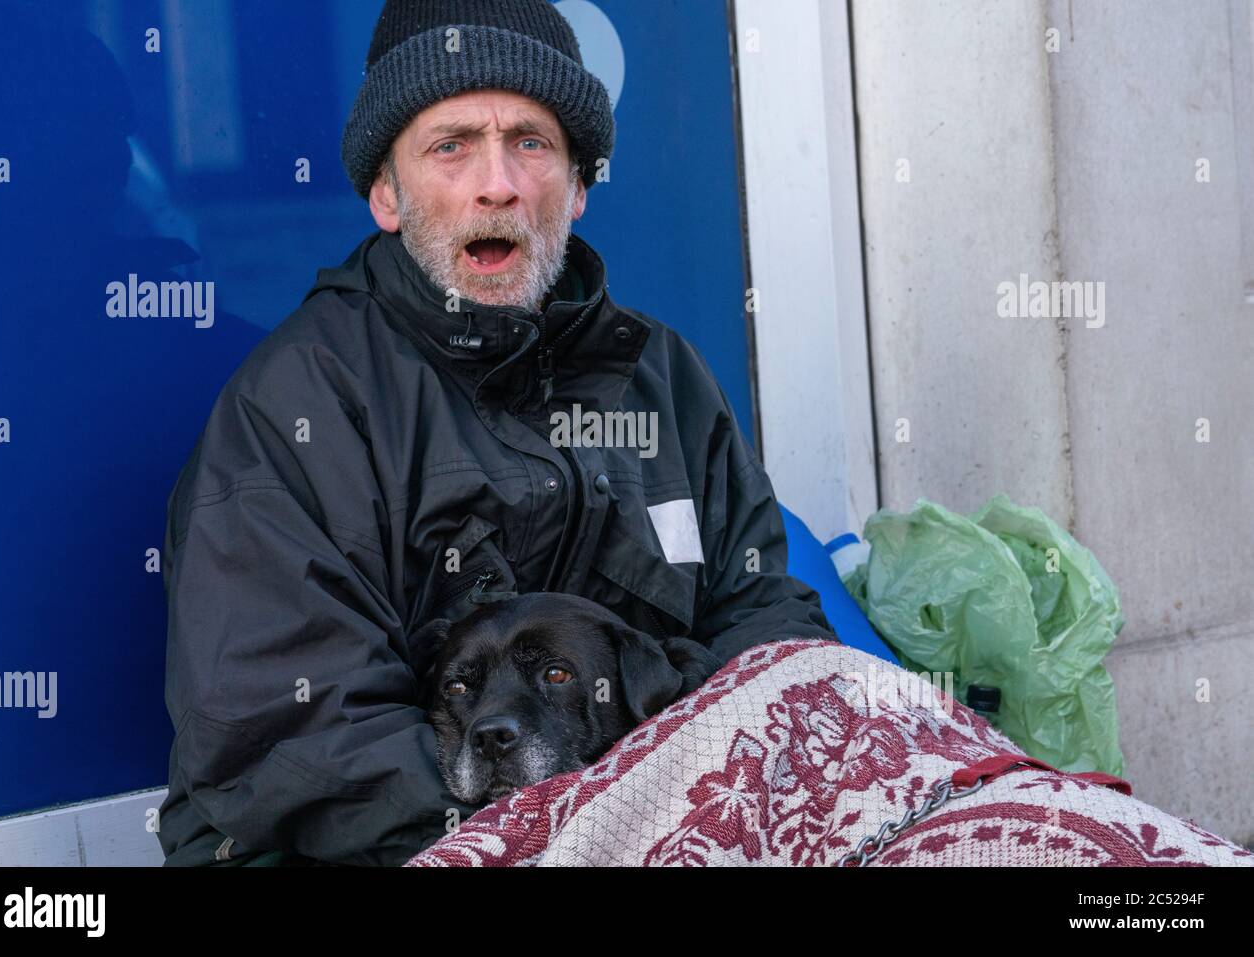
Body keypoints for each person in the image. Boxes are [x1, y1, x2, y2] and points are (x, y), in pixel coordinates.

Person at [157, 0, 834, 867]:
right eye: (451, 146)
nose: (498, 184)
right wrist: (606, 822)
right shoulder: (293, 408)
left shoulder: (664, 378)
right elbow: (299, 742)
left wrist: (709, 792)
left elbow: (763, 617)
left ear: (579, 186)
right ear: (385, 194)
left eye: (531, 142)